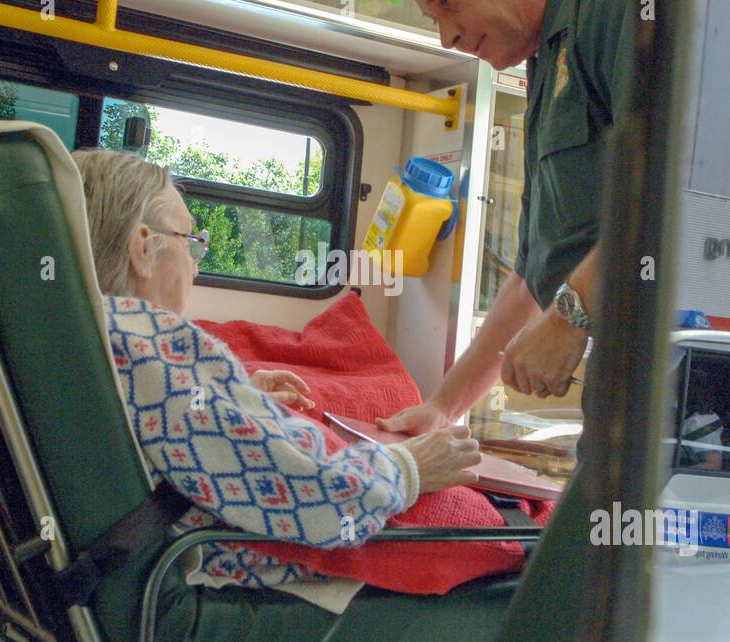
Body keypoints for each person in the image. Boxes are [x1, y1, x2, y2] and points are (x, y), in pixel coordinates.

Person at [70, 148, 482, 609]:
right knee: (503, 542)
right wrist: (409, 468)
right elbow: (318, 496)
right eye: (190, 241)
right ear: (142, 249)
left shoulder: (105, 332)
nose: (196, 263)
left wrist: (235, 393)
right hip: (205, 558)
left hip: (151, 541)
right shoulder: (150, 345)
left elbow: (188, 424)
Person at [380, 0, 635, 454]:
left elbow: (673, 186)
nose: (446, 36)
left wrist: (570, 316)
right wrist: (441, 409)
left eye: (447, 1)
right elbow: (528, 277)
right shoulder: (544, 67)